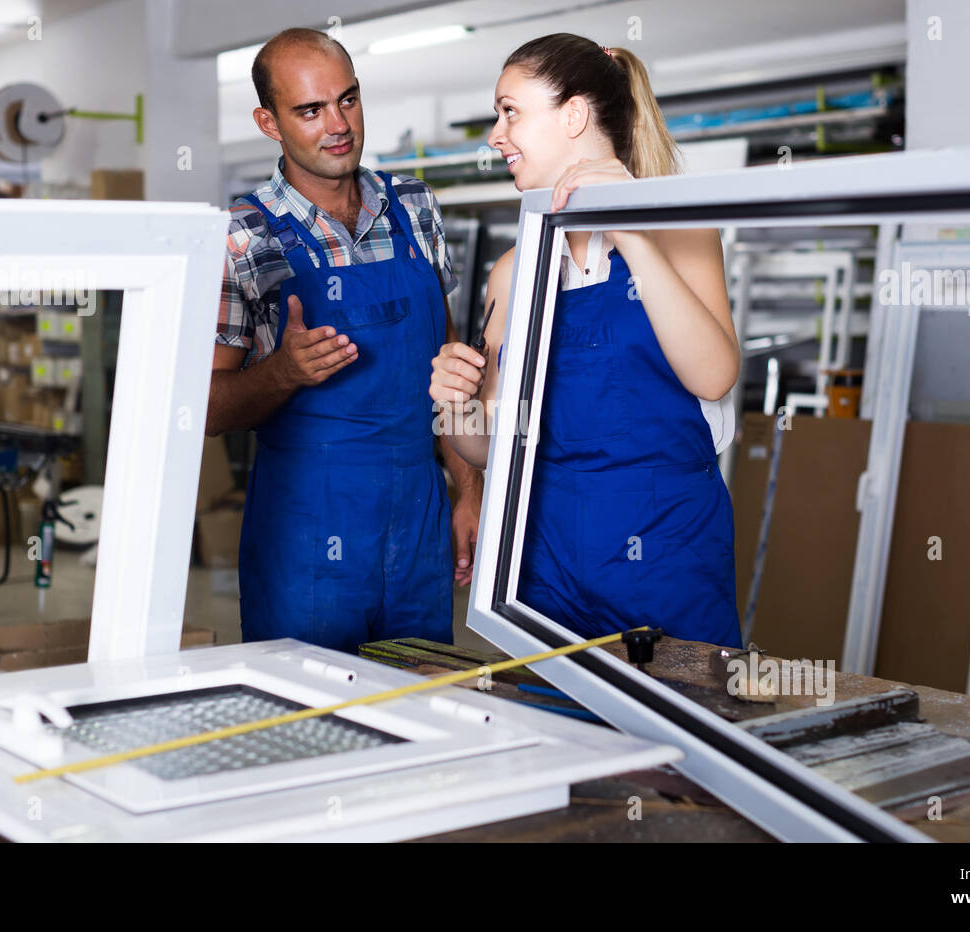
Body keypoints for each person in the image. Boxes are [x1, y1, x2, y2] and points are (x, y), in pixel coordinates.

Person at [429, 34, 742, 647]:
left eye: (510, 111)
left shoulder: (680, 231)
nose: (495, 135)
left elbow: (714, 374)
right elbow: (489, 446)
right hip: (546, 572)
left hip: (668, 563)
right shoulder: (514, 269)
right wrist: (454, 402)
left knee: (677, 735)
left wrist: (631, 233)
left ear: (573, 115)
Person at [207, 28, 483, 653]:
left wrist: (468, 490)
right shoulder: (243, 236)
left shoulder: (414, 208)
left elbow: (452, 365)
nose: (338, 124)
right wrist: (283, 372)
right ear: (269, 122)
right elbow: (207, 408)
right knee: (313, 723)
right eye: (310, 110)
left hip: (417, 518)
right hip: (307, 528)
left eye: (348, 100)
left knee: (422, 703)